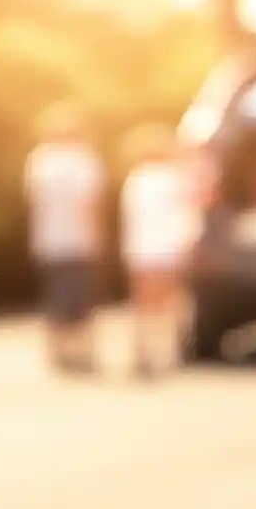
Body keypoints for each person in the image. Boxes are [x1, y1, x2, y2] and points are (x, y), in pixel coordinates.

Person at [24, 102, 107, 372]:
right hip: (79, 238)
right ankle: (82, 350)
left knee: (56, 295)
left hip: (49, 238)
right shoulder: (84, 159)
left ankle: (58, 350)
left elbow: (33, 200)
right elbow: (90, 202)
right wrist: (97, 234)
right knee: (81, 296)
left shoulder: (39, 160)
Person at [119, 123, 193, 377]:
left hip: (142, 248)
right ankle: (171, 350)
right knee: (172, 300)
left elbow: (130, 217)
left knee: (144, 304)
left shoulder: (137, 177)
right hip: (169, 247)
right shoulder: (175, 177)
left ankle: (143, 351)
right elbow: (185, 215)